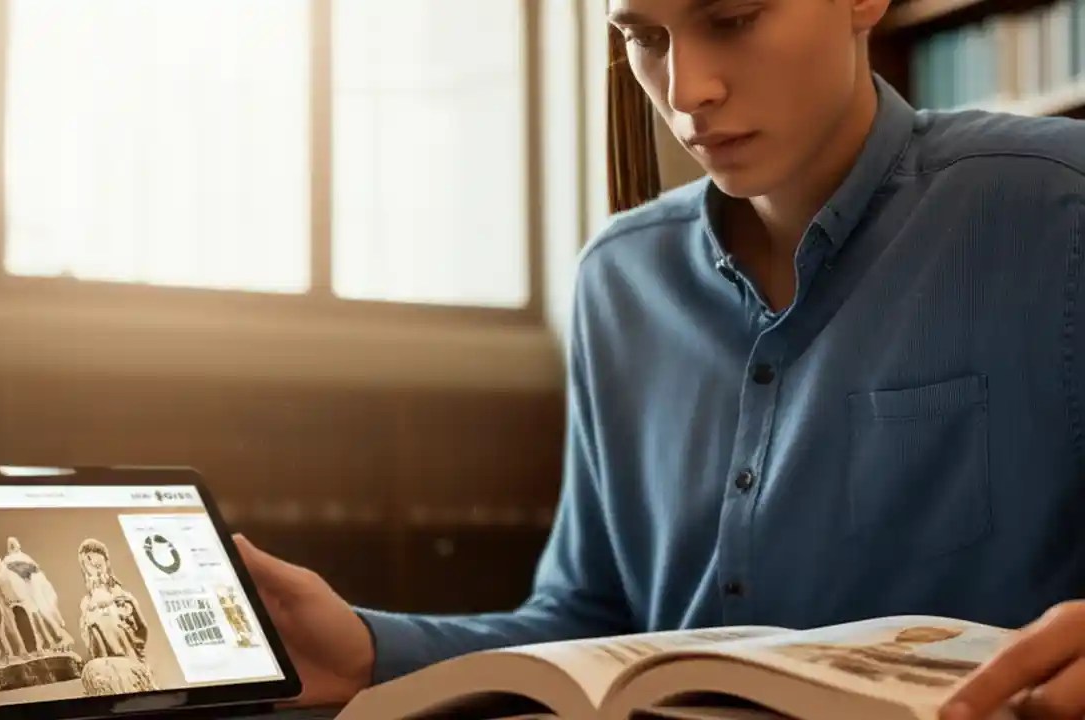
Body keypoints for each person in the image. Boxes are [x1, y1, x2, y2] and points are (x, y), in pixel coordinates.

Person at [235, 0, 1085, 717]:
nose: (687, 95)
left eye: (732, 17)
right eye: (644, 36)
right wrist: (368, 650)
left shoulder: (1057, 212)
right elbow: (590, 618)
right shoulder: (620, 279)